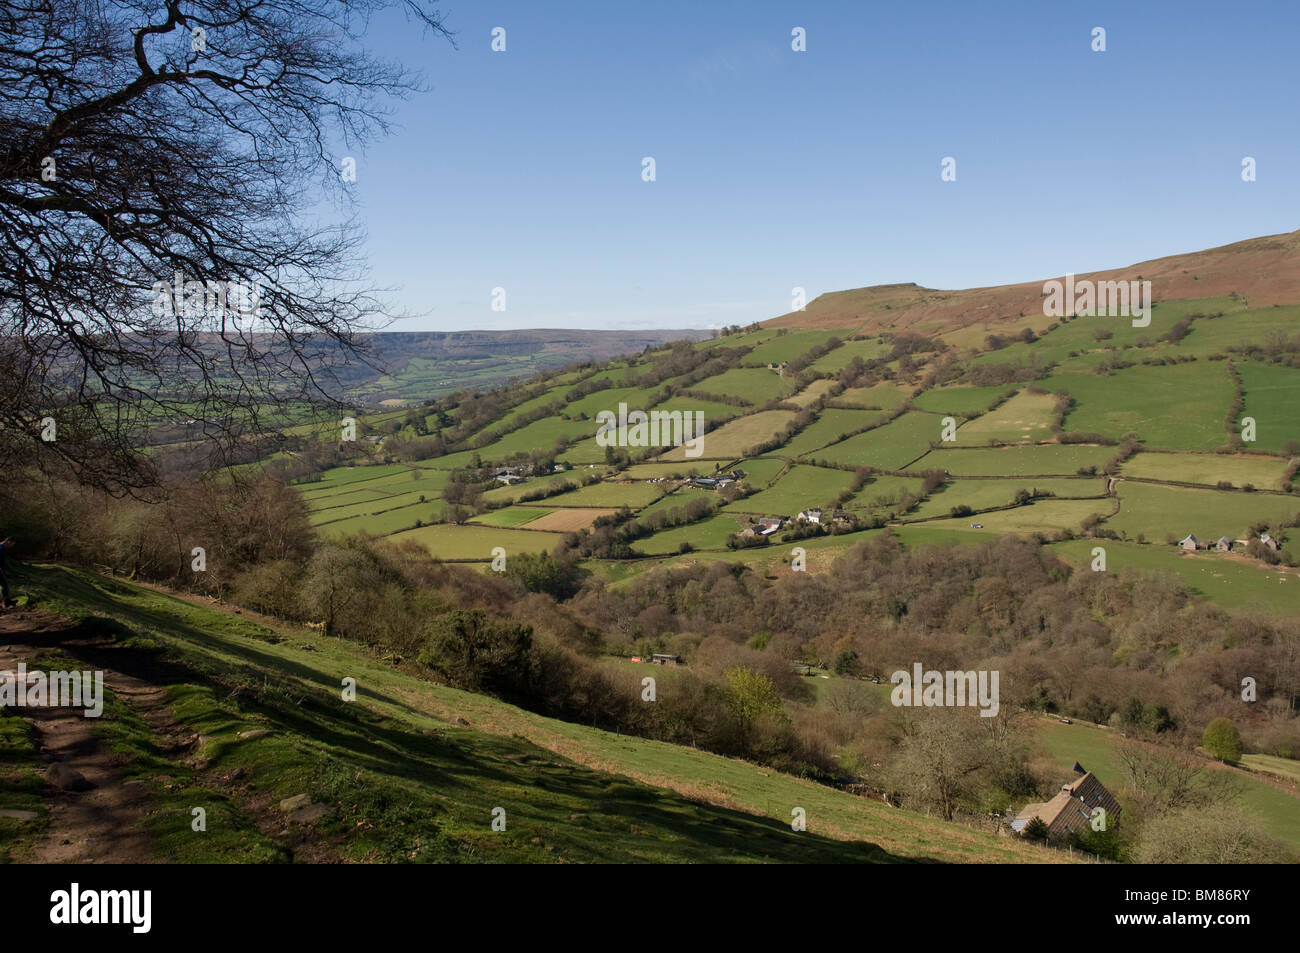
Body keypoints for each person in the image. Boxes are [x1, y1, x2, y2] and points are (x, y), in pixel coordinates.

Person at [0, 538, 13, 607]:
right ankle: (6, 602)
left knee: (4, 585)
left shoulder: (2, 547)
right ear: (8, 541)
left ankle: (6, 601)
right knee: (4, 585)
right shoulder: (1, 548)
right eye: (11, 544)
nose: (11, 546)